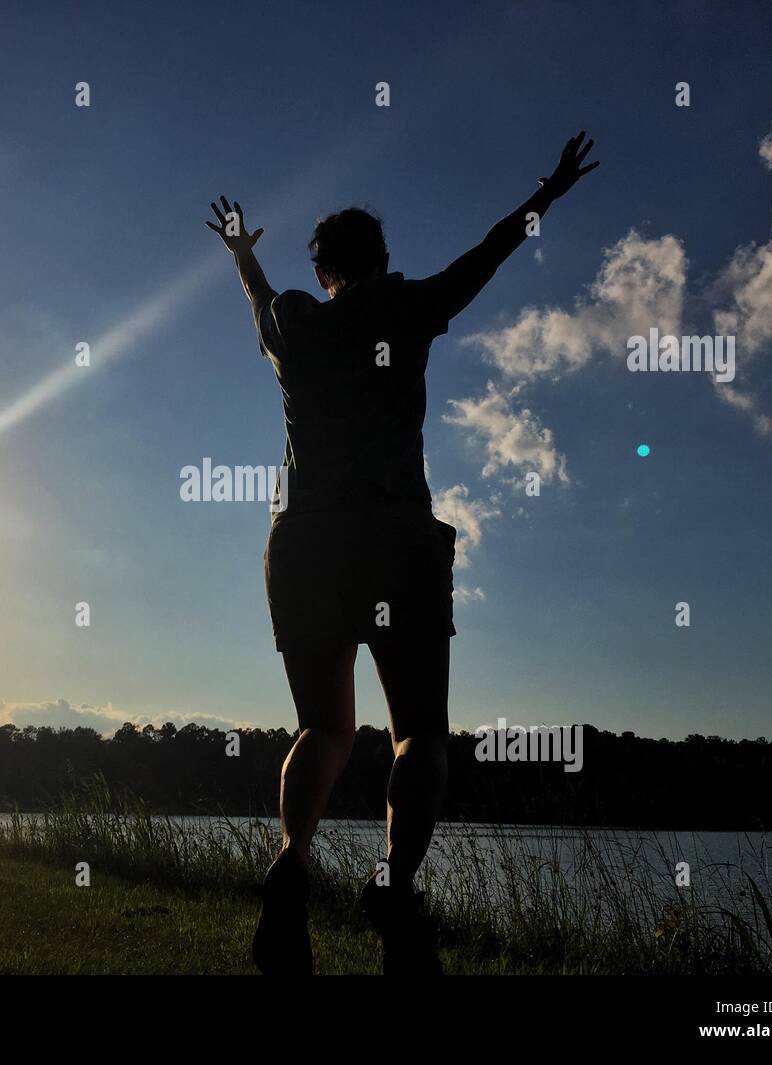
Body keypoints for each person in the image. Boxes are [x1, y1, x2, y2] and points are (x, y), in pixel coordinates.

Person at [205, 133, 599, 975]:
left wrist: (241, 251)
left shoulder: (296, 324)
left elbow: (259, 296)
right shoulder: (407, 307)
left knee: (324, 726)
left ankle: (292, 860)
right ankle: (394, 882)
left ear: (324, 272)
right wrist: (549, 193)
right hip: (393, 539)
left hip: (305, 541)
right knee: (419, 731)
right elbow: (488, 254)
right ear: (381, 260)